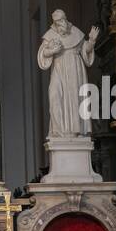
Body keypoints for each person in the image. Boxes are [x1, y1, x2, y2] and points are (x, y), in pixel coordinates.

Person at [37, 10, 99, 138]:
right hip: (58, 69)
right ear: (54, 24)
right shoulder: (51, 35)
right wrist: (52, 50)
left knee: (75, 97)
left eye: (61, 20)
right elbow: (43, 53)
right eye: (57, 22)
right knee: (54, 94)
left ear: (65, 19)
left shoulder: (76, 32)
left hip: (75, 69)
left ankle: (76, 131)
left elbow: (85, 49)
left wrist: (92, 41)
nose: (60, 24)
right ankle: (58, 131)